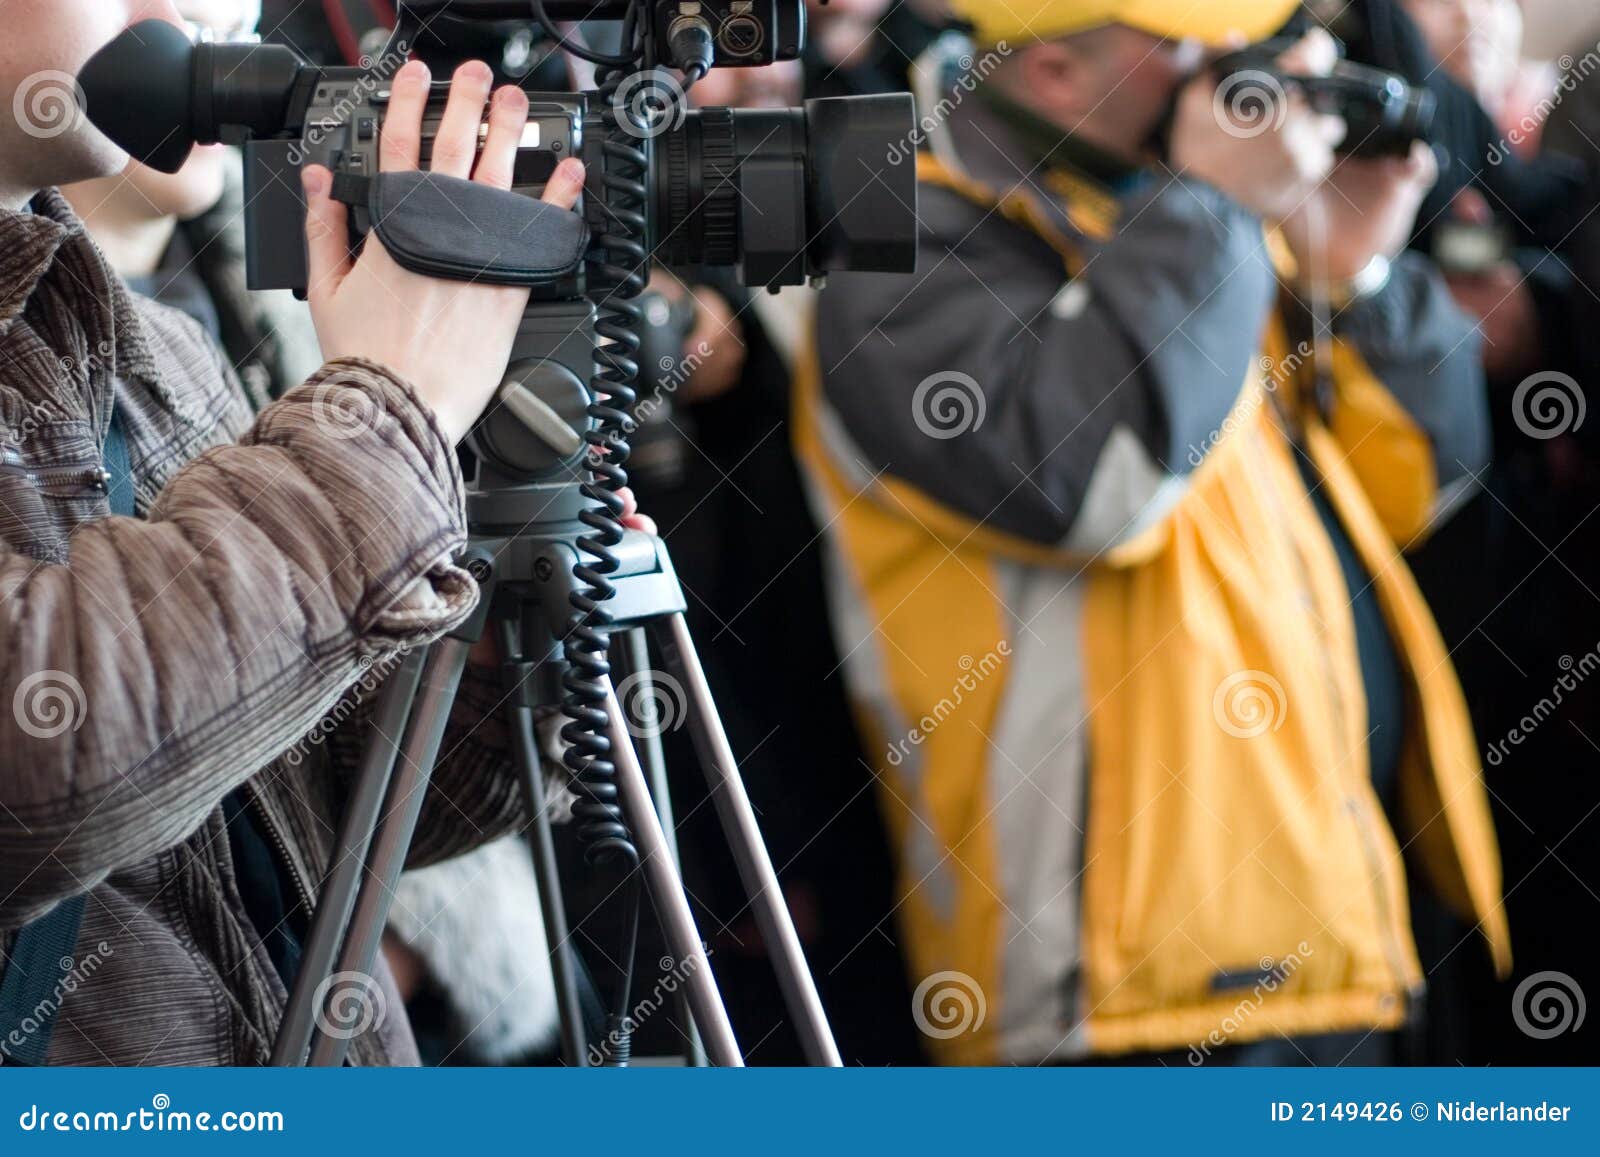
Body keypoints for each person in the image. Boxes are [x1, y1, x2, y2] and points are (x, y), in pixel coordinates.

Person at [795, 0, 1509, 1065]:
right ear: (1049, 75)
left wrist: (1352, 279)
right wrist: (1215, 204)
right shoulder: (900, 252)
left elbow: (1415, 490)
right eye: (1199, 46)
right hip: (1116, 996)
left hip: (1334, 939)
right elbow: (1093, 488)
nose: (1242, 73)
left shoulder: (1175, 226)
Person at [0, 0, 647, 1066]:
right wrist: (385, 411)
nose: (221, 9)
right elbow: (36, 766)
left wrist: (515, 599)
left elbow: (302, 793)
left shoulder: (147, 342)